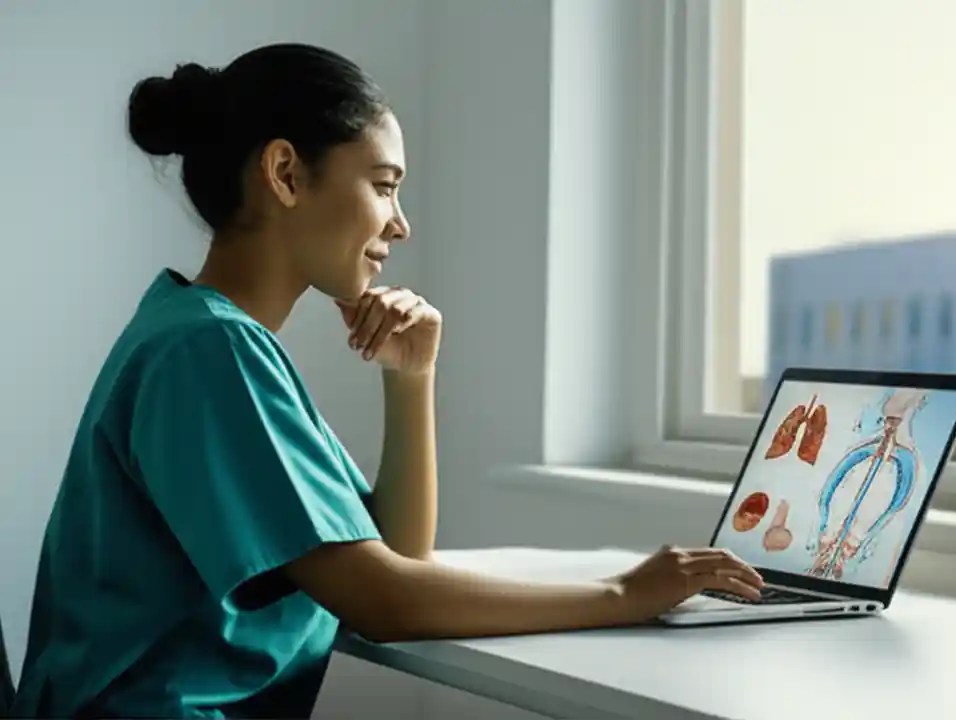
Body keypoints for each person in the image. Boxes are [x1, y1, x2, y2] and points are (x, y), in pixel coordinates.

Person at [9, 43, 763, 719]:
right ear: (285, 174)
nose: (399, 223)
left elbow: (394, 560)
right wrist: (624, 596)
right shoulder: (206, 351)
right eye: (383, 184)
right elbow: (386, 601)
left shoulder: (210, 338)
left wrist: (412, 378)